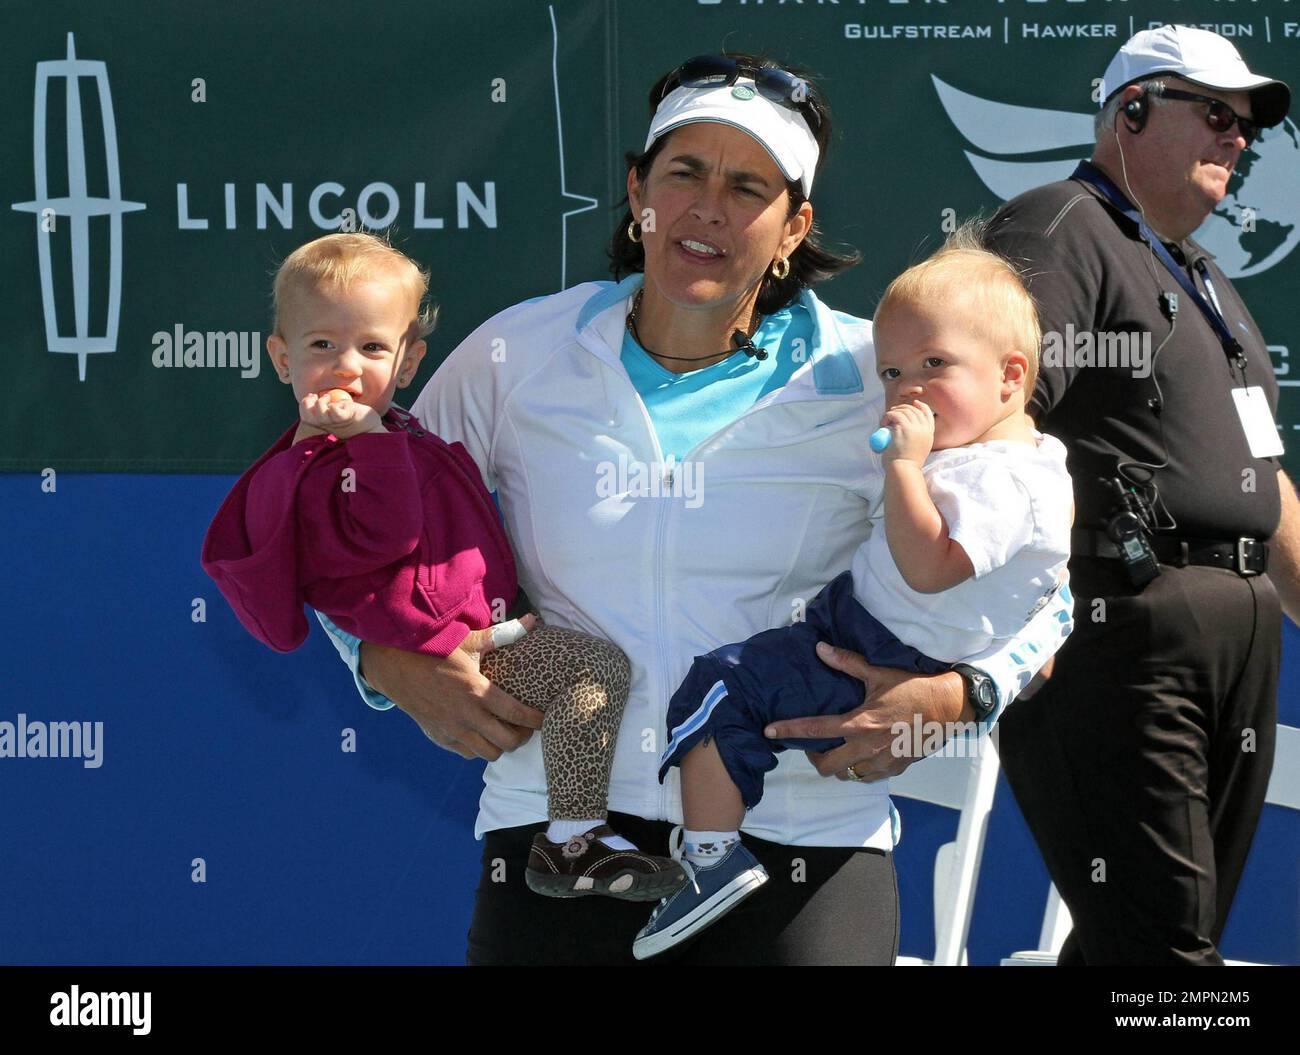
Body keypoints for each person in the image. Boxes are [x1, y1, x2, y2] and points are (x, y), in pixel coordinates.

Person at [317, 53, 1074, 966]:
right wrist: (386, 657)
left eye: (748, 186)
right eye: (685, 172)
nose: (709, 207)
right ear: (639, 190)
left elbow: (1049, 591)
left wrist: (958, 696)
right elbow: (337, 515)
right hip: (557, 841)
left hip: (805, 844)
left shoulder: (886, 377)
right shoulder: (517, 354)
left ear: (793, 227)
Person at [200, 232, 686, 903]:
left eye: (371, 347)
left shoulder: (392, 433)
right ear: (281, 358)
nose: (346, 366)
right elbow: (386, 535)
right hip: (459, 651)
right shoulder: (310, 471)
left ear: (408, 360)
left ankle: (576, 836)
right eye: (321, 347)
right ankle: (573, 843)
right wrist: (367, 441)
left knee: (596, 672)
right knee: (594, 672)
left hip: (485, 626)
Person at [635, 227, 1072, 959]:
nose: (908, 391)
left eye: (936, 365)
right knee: (732, 691)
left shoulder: (1005, 479)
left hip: (867, 649)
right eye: (894, 372)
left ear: (1010, 377)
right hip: (858, 628)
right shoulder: (1016, 460)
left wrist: (902, 470)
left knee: (719, 688)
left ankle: (710, 859)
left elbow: (930, 567)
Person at [984, 24, 1300, 965]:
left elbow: (1262, 481)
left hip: (1238, 638)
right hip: (1119, 634)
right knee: (1165, 957)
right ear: (1129, 111)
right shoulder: (1056, 227)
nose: (1236, 138)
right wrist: (1008, 618)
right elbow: (990, 423)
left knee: (1149, 945)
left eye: (1244, 122)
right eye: (1212, 112)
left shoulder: (1204, 274)